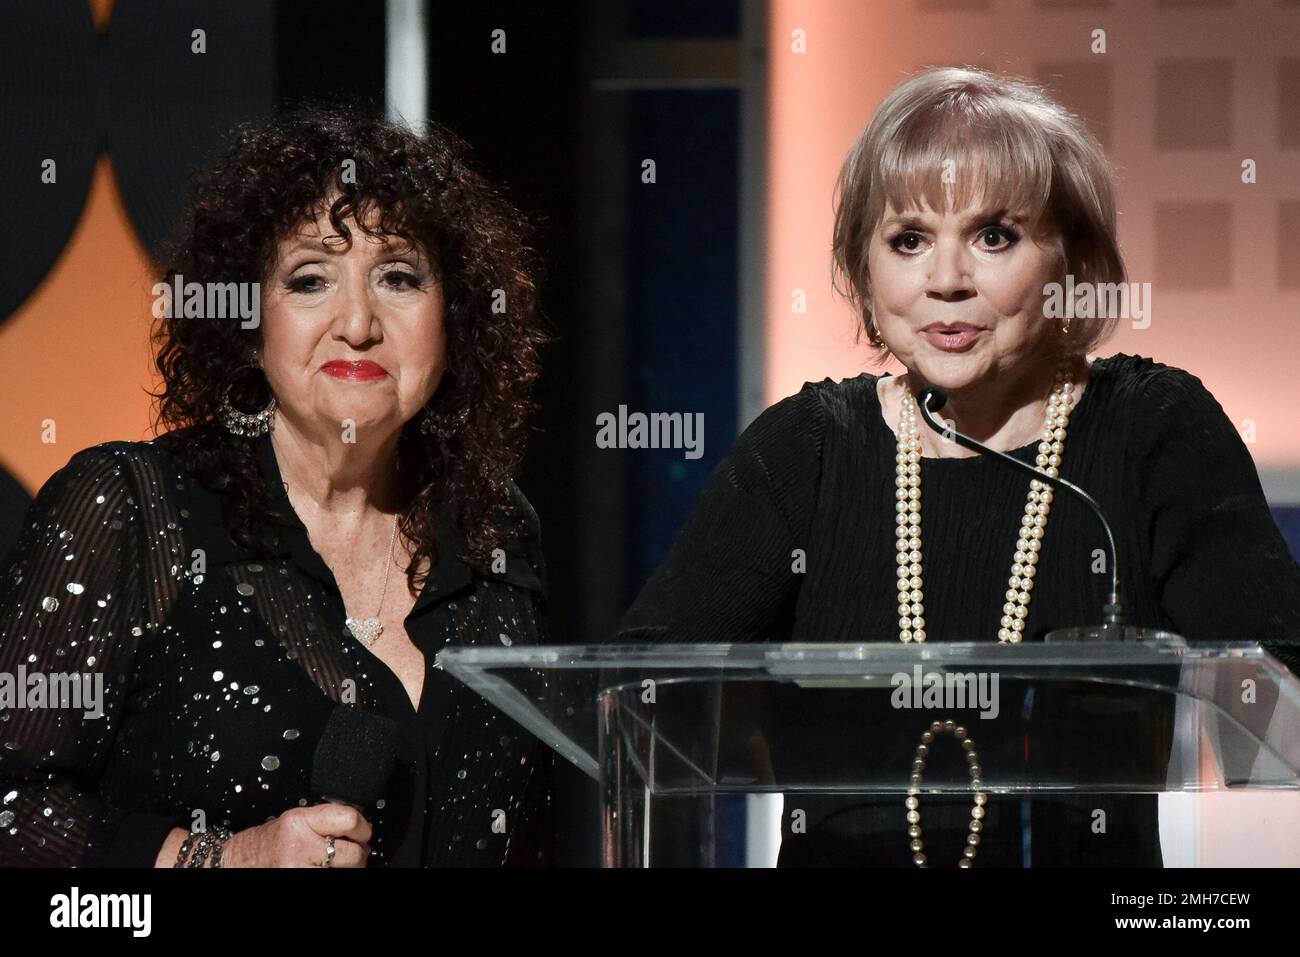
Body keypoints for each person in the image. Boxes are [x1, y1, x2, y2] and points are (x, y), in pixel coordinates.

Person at [616, 66, 1300, 867]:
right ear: (865, 275)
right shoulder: (807, 448)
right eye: (908, 240)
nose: (945, 281)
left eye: (994, 236)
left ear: (1070, 262)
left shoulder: (1154, 432)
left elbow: (1277, 703)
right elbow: (642, 703)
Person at [0, 106, 554, 867]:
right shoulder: (130, 507)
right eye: (310, 278)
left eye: (398, 276)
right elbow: (9, 806)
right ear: (250, 322)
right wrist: (221, 859)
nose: (357, 322)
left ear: (453, 320)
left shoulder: (493, 528)